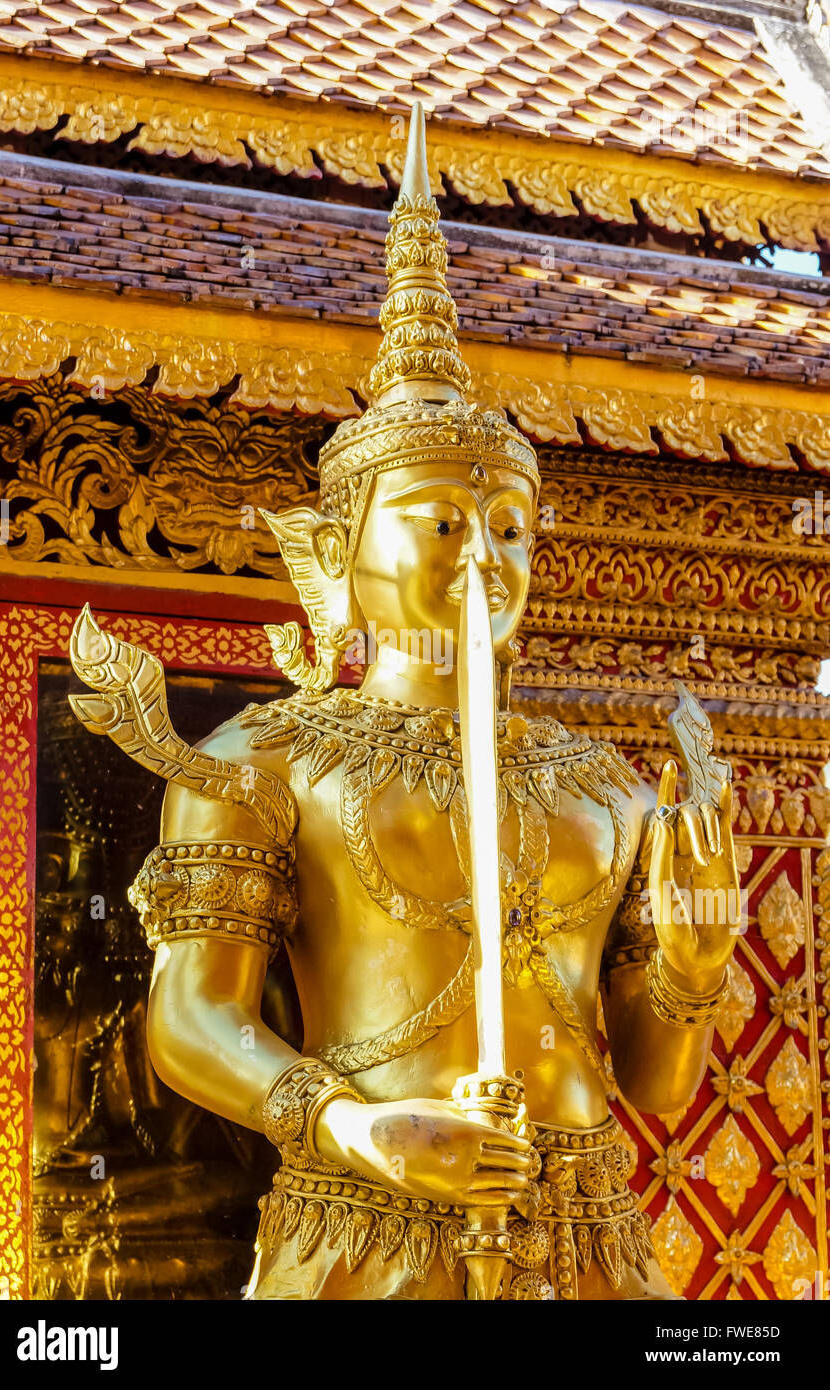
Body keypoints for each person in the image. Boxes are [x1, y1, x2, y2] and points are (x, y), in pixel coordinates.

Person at [70, 105, 740, 1301]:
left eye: (508, 526)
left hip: (586, 1235)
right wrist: (352, 1127)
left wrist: (687, 969)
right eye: (438, 522)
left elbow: (649, 1082)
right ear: (337, 547)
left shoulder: (606, 786)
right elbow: (186, 1020)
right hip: (367, 1227)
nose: (483, 555)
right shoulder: (263, 763)